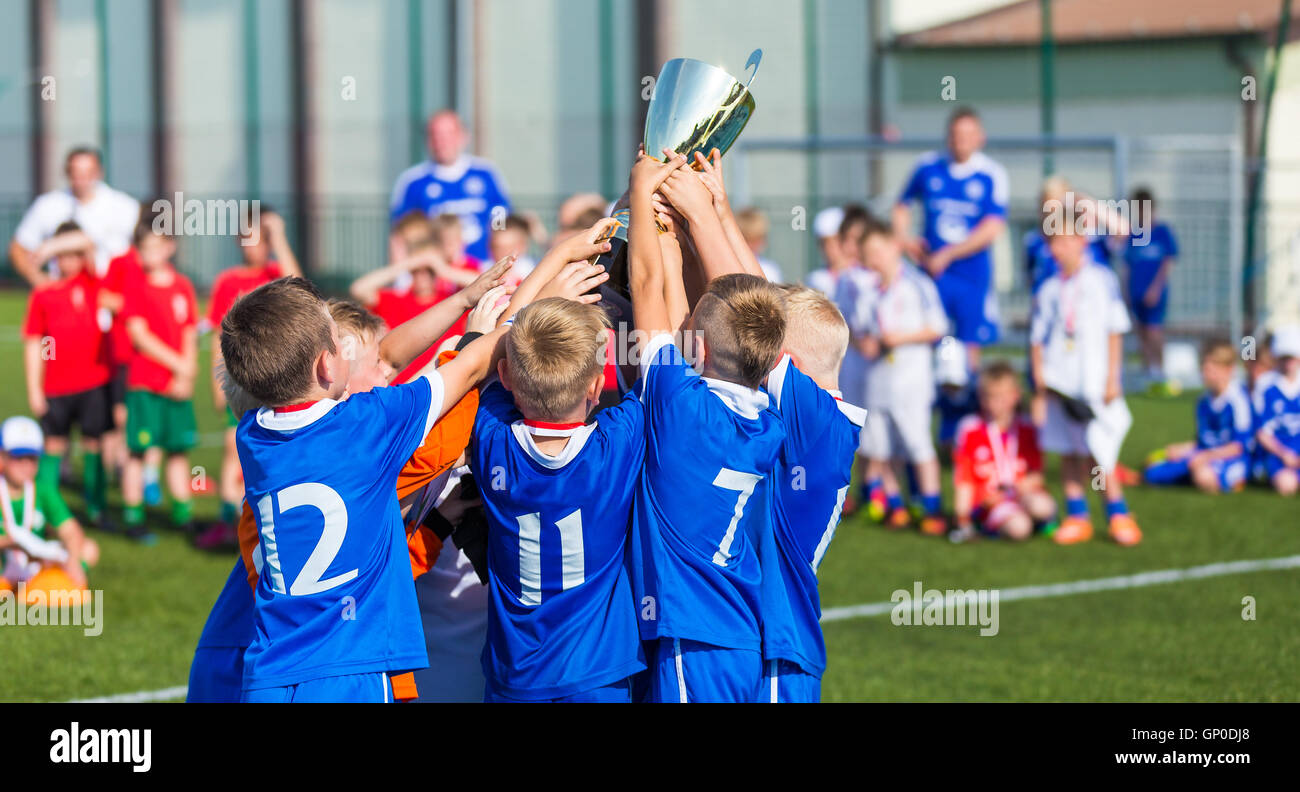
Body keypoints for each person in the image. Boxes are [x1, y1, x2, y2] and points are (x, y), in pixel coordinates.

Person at [188, 277, 509, 702]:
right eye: (341, 345)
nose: (387, 369)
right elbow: (465, 371)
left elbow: (390, 360)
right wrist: (500, 324)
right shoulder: (366, 426)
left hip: (268, 671)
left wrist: (463, 300)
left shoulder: (255, 437)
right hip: (350, 668)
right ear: (327, 366)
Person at [626, 149, 787, 703]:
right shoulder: (767, 415)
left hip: (691, 638)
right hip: (737, 632)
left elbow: (646, 287)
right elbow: (686, 309)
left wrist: (643, 188)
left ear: (695, 346)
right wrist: (678, 231)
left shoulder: (682, 406)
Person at [470, 221, 652, 702]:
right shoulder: (615, 445)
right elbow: (660, 363)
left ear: (508, 376)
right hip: (598, 678)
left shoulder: (491, 437)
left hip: (516, 680)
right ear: (597, 388)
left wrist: (553, 264)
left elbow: (488, 354)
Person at [760, 286, 865, 702]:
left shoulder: (817, 421)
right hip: (777, 641)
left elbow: (741, 291)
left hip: (781, 646)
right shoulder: (816, 419)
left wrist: (706, 218)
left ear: (789, 364)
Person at [1029, 223, 1140, 546]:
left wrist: (1112, 378)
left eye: (1063, 240)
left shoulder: (1100, 280)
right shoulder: (1049, 287)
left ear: (1081, 240)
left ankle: (1118, 514)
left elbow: (1115, 330)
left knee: (1098, 454)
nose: (1056, 248)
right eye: (1052, 241)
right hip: (1058, 383)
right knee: (1068, 452)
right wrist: (1039, 376)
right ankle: (1077, 516)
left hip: (1092, 384)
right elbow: (1038, 336)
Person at [205, 209, 301, 548]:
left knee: (275, 450)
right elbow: (219, 334)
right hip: (240, 379)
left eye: (259, 237)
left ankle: (271, 520)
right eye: (247, 237)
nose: (252, 245)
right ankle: (227, 520)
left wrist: (279, 238)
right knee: (235, 449)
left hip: (275, 377)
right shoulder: (228, 281)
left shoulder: (276, 273)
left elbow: (298, 285)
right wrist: (218, 383)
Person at [851, 217, 948, 535]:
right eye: (868, 253)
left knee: (918, 444)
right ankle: (896, 505)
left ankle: (932, 508)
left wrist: (901, 338)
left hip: (911, 381)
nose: (874, 259)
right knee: (882, 448)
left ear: (895, 247)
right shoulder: (869, 292)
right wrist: (864, 343)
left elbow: (938, 327)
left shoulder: (917, 283)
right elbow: (862, 333)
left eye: (878, 250)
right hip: (877, 381)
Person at [893, 106, 1008, 364]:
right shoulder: (928, 166)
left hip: (971, 274)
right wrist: (905, 240)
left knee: (969, 344)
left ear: (981, 138)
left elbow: (992, 227)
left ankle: (968, 399)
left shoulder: (991, 174)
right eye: (956, 135)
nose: (961, 141)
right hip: (932, 272)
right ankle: (932, 398)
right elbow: (902, 206)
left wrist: (949, 254)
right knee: (930, 336)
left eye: (968, 135)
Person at [21, 222, 113, 525]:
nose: (67, 260)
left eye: (71, 254)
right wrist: (34, 389)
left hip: (93, 383)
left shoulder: (90, 282)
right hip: (56, 387)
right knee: (53, 447)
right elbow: (35, 343)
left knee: (94, 445)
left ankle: (96, 509)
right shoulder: (44, 293)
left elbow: (88, 240)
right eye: (61, 255)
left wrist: (49, 246)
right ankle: (44, 512)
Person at [120, 217, 200, 540]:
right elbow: (140, 337)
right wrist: (180, 365)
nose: (149, 253)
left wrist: (187, 372)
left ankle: (183, 514)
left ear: (170, 246)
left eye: (156, 246)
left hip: (177, 386)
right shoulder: (135, 286)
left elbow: (190, 331)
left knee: (178, 451)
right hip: (145, 384)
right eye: (144, 247)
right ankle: (133, 516)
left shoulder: (183, 286)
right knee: (137, 452)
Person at [950, 362, 1056, 543]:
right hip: (991, 503)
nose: (995, 404)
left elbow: (1037, 474)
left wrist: (1019, 488)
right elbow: (964, 478)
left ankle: (1039, 520)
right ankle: (992, 525)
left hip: (1023, 495)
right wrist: (962, 516)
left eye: (1001, 397)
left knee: (1042, 506)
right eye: (989, 397)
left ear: (1015, 396)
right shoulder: (970, 429)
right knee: (1019, 528)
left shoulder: (1027, 428)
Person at [389, 109, 511, 262]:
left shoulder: (486, 173)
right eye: (436, 135)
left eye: (448, 134)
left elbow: (501, 216)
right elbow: (401, 234)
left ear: (463, 137)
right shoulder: (412, 181)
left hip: (482, 267)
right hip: (436, 272)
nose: (442, 141)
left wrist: (498, 250)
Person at [9, 146, 139, 286]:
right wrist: (37, 278)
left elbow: (149, 246)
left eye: (88, 172)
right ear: (66, 172)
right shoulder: (48, 205)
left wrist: (52, 246)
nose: (82, 179)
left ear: (99, 172)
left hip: (110, 295)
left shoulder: (125, 206)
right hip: (63, 298)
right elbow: (18, 248)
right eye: (76, 172)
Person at [0, 416, 99, 591]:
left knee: (89, 548)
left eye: (32, 458)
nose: (26, 465)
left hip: (33, 561)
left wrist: (73, 561)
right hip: (5, 560)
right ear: (2, 457)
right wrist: (12, 542)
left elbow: (70, 530)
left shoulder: (43, 490)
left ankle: (49, 580)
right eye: (18, 457)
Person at [1143, 340, 1253, 493]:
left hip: (1230, 459)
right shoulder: (1203, 401)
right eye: (1204, 367)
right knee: (1152, 473)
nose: (1205, 372)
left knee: (1203, 476)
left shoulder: (1238, 400)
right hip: (1202, 455)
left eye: (1211, 367)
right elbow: (1203, 441)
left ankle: (1231, 480)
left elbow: (1238, 447)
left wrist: (1205, 456)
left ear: (1228, 369)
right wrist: (1182, 449)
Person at [1122, 188, 1180, 394]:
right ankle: (1148, 373)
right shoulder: (1135, 234)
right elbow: (1128, 264)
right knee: (1141, 332)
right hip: (1136, 292)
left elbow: (1168, 262)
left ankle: (1160, 371)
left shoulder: (1162, 232)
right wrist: (1126, 292)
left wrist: (1155, 288)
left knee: (1155, 332)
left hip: (1155, 293)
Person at [1253, 327, 1300, 496]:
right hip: (1279, 452)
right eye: (1283, 358)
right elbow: (1261, 431)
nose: (1288, 363)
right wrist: (1284, 454)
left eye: (1292, 358)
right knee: (1286, 485)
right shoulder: (1265, 384)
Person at [734, 207, 785, 283]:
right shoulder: (769, 270)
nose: (754, 245)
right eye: (749, 240)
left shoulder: (770, 270)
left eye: (758, 239)